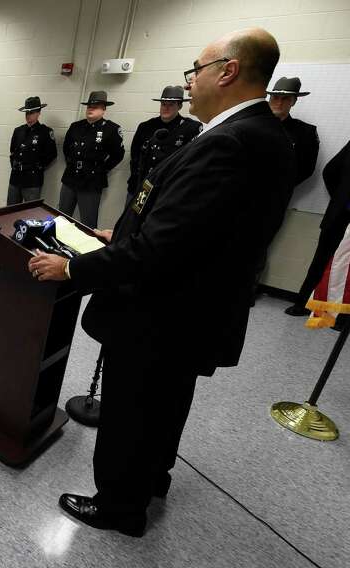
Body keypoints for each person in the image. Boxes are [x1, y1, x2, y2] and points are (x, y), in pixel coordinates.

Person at [28, 27, 294, 538]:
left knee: (132, 410)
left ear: (228, 71)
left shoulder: (231, 142)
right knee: (166, 405)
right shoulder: (265, 136)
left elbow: (161, 250)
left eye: (195, 69)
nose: (189, 82)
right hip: (197, 312)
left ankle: (118, 508)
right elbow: (196, 227)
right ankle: (151, 479)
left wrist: (71, 269)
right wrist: (123, 229)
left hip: (161, 316)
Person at [285, 139, 350, 317]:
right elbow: (331, 171)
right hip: (341, 215)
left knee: (321, 261)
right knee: (322, 261)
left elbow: (331, 171)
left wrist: (340, 200)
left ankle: (302, 305)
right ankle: (339, 315)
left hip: (339, 213)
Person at [58, 91, 125, 227]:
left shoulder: (111, 129)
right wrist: (72, 164)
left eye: (96, 106)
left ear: (104, 109)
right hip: (70, 179)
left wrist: (100, 170)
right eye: (89, 105)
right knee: (61, 219)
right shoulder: (76, 126)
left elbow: (118, 155)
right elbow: (66, 149)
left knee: (88, 223)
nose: (91, 108)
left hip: (91, 182)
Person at [126, 86, 201, 199]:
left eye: (171, 105)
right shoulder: (146, 126)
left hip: (168, 190)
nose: (166, 108)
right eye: (163, 104)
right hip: (143, 186)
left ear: (179, 106)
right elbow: (135, 156)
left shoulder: (191, 128)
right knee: (133, 216)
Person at [267, 76, 319, 189]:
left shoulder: (306, 132)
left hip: (278, 194)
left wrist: (278, 188)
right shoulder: (251, 125)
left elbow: (306, 169)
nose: (279, 103)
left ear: (294, 101)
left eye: (285, 98)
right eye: (275, 97)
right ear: (269, 99)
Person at [8, 96, 57, 205]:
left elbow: (52, 154)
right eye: (26, 113)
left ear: (39, 113)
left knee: (30, 212)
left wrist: (38, 167)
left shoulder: (45, 132)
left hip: (32, 178)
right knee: (10, 210)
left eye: (31, 112)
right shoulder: (18, 130)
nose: (28, 115)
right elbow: (12, 152)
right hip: (15, 177)